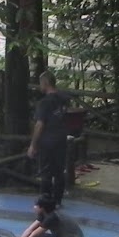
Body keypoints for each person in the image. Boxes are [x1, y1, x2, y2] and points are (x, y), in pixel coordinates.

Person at [29, 70, 71, 207]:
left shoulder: (44, 103)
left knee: (46, 172)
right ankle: (58, 201)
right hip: (61, 138)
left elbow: (40, 124)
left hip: (48, 140)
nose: (39, 86)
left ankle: (45, 202)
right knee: (59, 171)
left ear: (45, 83)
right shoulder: (64, 99)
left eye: (40, 83)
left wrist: (33, 144)